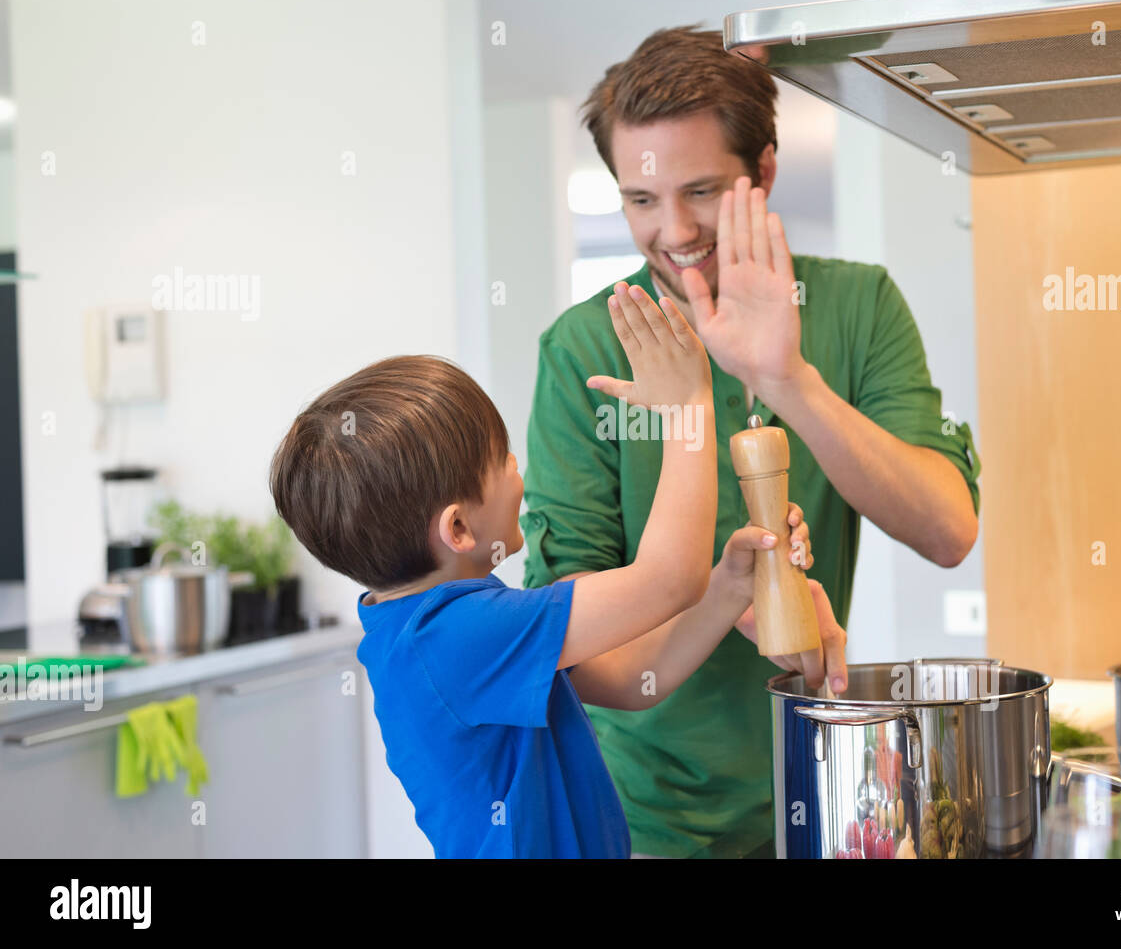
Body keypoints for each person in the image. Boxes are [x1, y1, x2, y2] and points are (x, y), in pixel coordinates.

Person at [522, 26, 982, 858]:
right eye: (641, 200)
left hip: (829, 788)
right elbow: (575, 645)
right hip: (643, 820)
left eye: (701, 190)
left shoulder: (857, 306)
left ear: (763, 170)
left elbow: (948, 530)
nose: (673, 230)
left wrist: (787, 378)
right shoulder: (583, 350)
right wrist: (727, 593)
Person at [267, 284, 841, 857]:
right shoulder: (458, 635)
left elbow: (631, 679)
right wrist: (688, 410)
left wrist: (725, 590)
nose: (519, 469)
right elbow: (668, 578)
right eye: (502, 460)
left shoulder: (438, 626)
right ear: (459, 530)